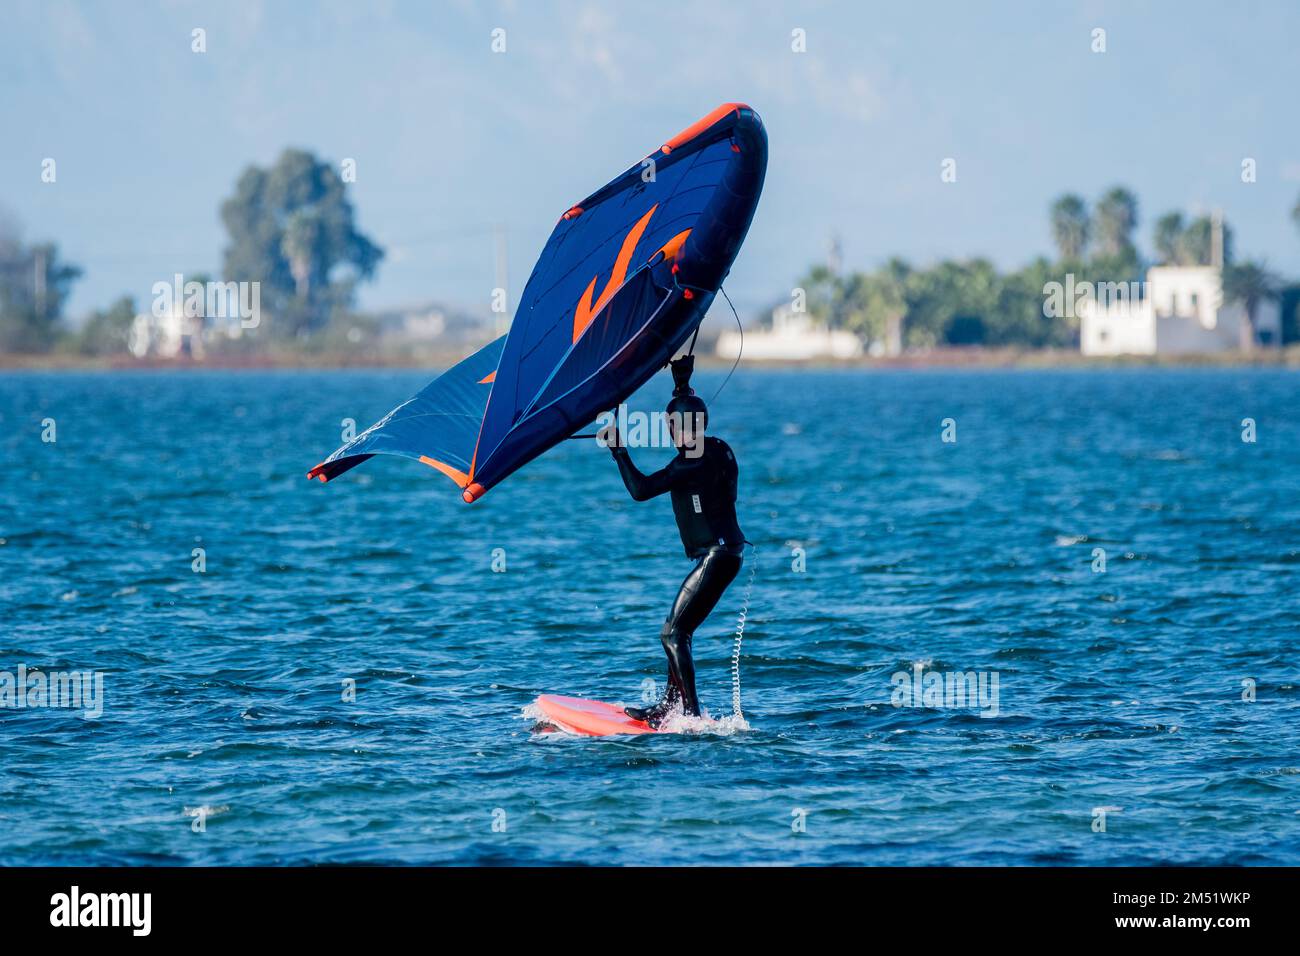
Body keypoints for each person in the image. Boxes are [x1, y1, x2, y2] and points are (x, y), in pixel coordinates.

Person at [597, 356, 746, 728]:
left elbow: (641, 490)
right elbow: (691, 418)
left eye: (671, 426)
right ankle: (669, 706)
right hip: (730, 554)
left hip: (717, 556)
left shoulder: (688, 464)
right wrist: (682, 387)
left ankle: (691, 714)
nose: (668, 431)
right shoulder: (719, 448)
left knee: (673, 633)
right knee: (679, 630)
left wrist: (619, 451)